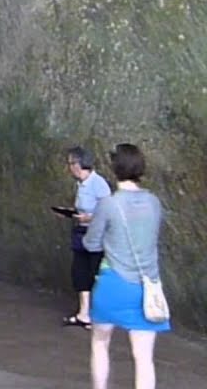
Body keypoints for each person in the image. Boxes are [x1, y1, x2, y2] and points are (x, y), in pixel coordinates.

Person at [84, 143, 169, 389]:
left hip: (113, 282)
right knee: (144, 359)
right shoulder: (154, 202)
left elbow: (91, 244)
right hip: (147, 286)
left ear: (115, 169)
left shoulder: (109, 204)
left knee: (100, 343)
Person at [62, 146, 112, 328]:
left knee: (95, 272)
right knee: (79, 272)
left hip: (96, 235)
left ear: (78, 164)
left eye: (70, 163)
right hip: (81, 232)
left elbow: (108, 210)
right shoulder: (80, 184)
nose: (69, 167)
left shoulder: (98, 183)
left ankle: (98, 314)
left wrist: (89, 217)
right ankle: (83, 313)